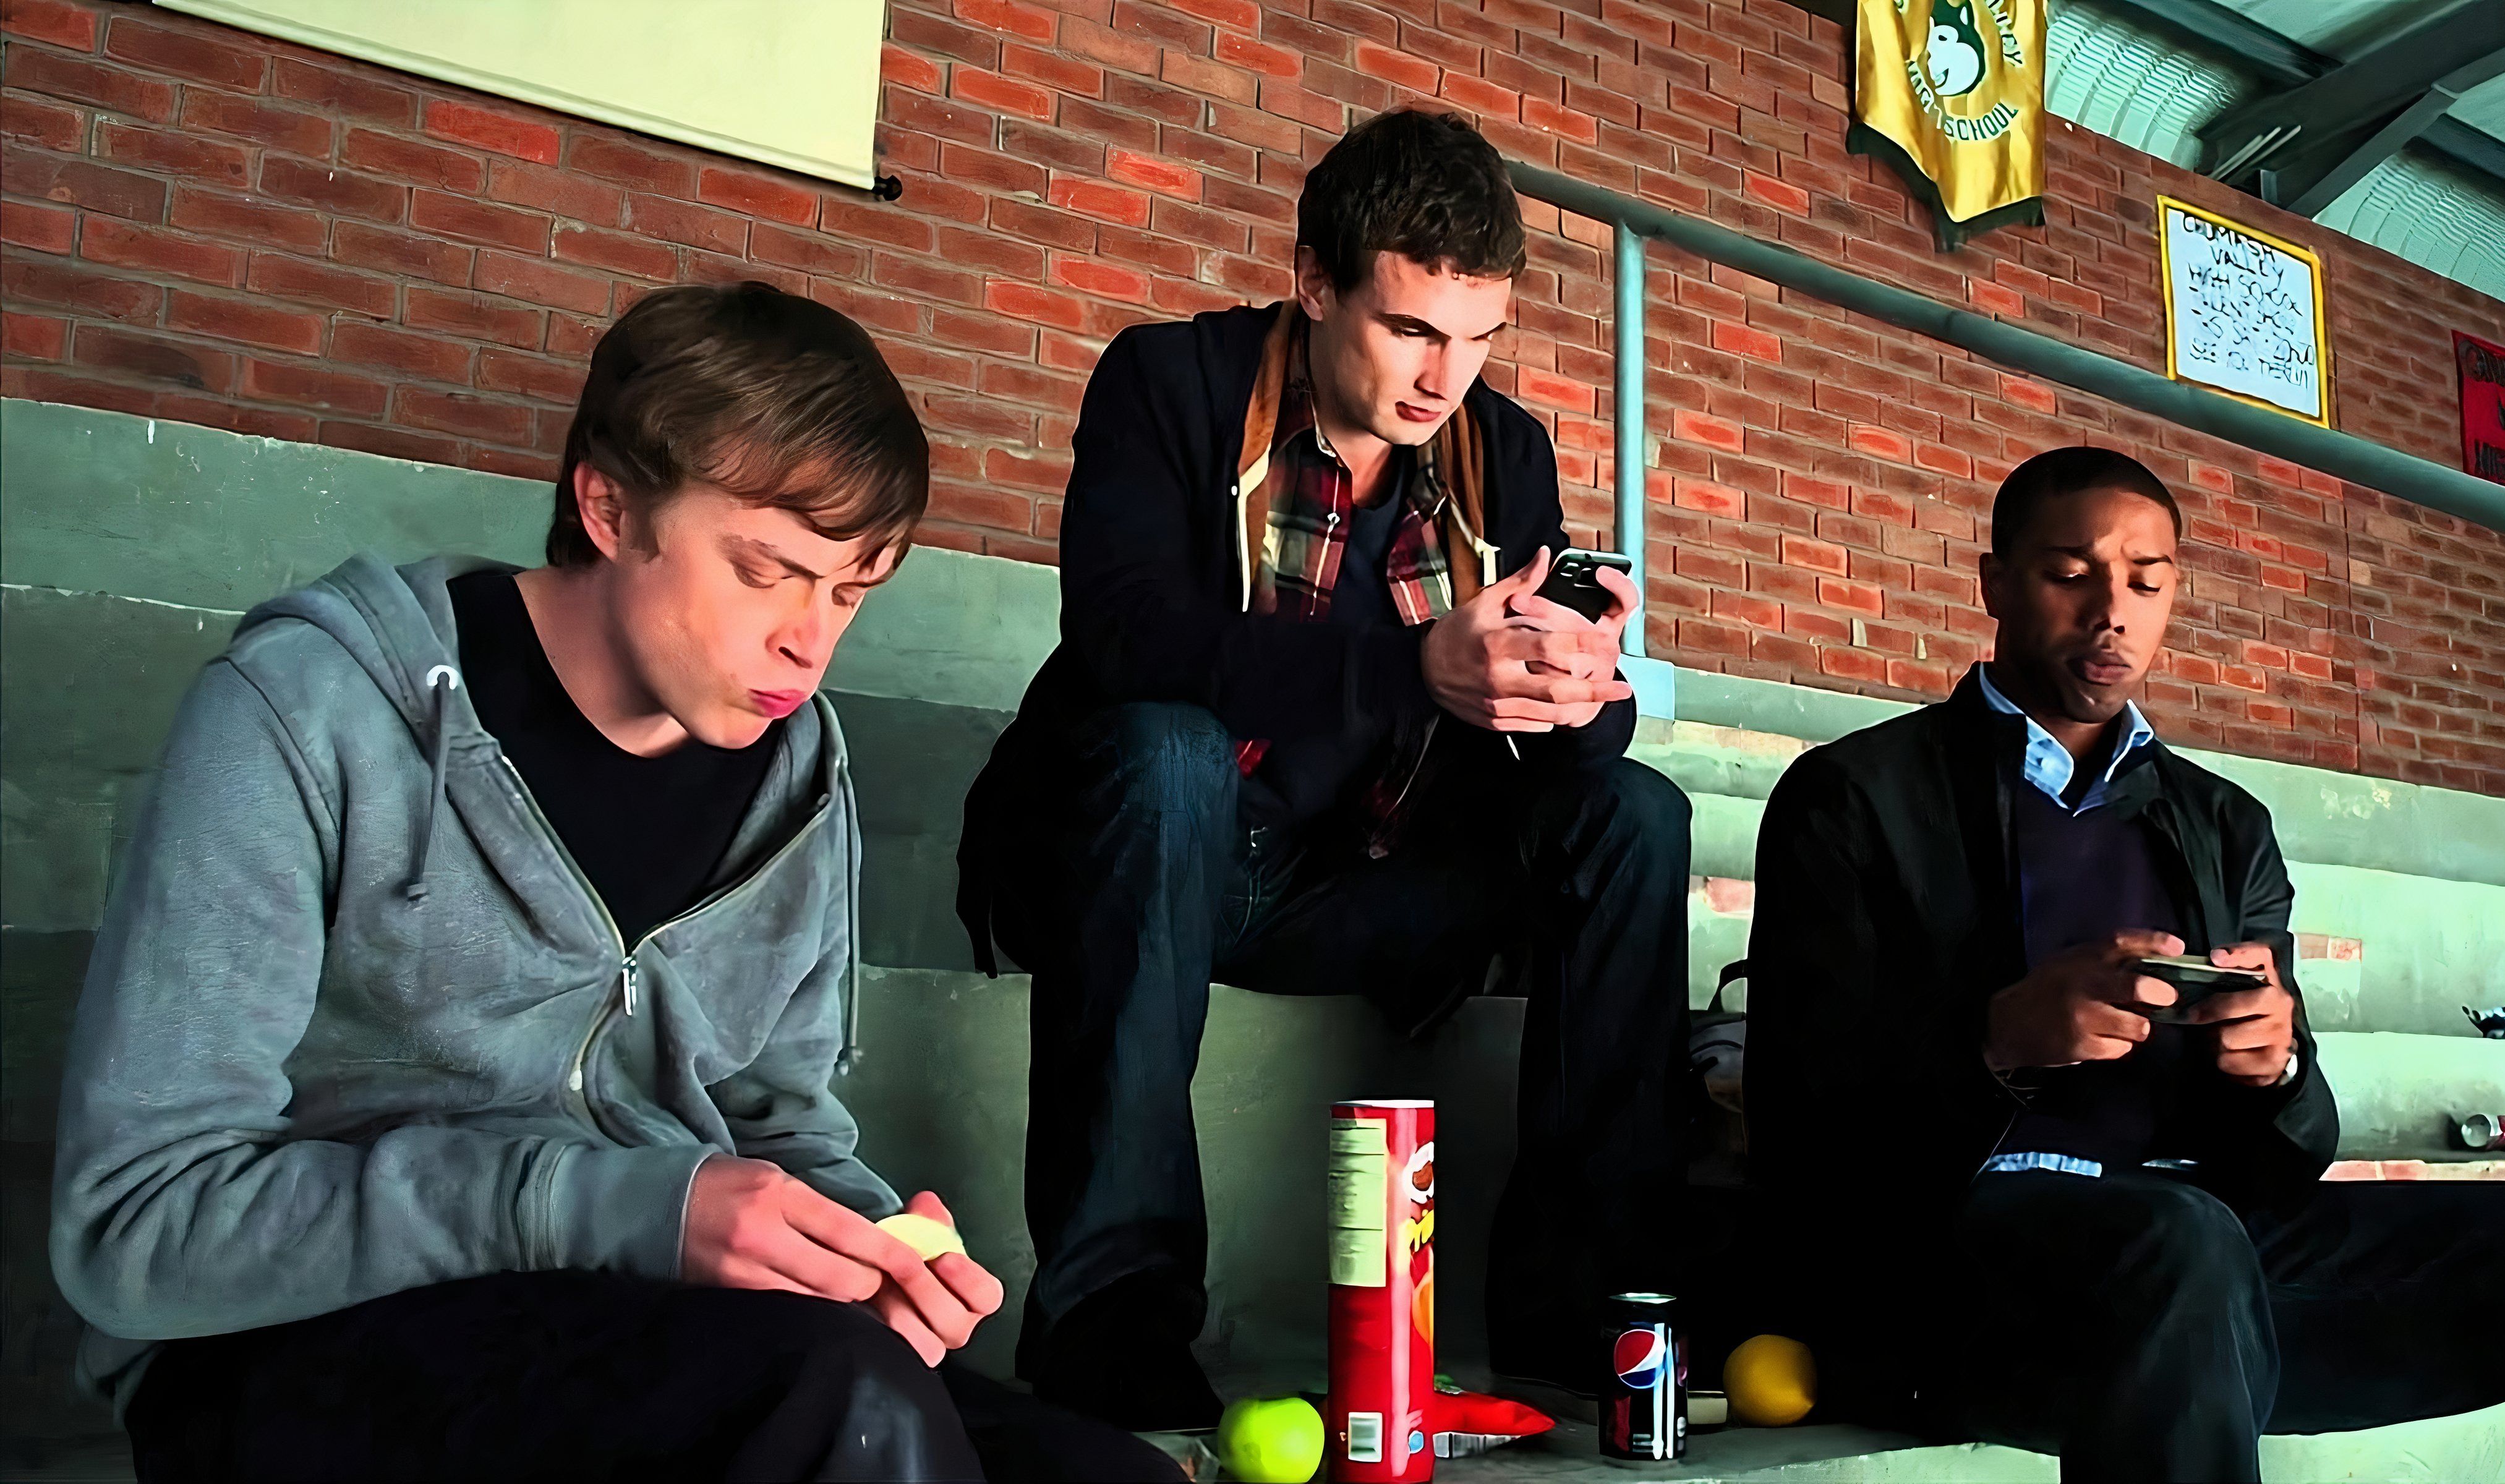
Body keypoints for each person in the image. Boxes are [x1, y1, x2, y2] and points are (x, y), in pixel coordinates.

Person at [51, 281, 1172, 1482]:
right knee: (840, 1402)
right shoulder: (312, 713)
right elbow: (140, 1220)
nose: (810, 642)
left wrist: (862, 1243)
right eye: (766, 571)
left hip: (645, 1318)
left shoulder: (795, 779)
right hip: (277, 1342)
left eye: (850, 591)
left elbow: (780, 1129)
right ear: (608, 508)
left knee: (1115, 1476)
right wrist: (608, 1207)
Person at [1740, 446, 2505, 1482]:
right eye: (2070, 574)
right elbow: (1801, 1118)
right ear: (1995, 583)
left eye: (2147, 582)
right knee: (2179, 1242)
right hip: (1955, 1270)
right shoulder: (1855, 797)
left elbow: (2290, 1151)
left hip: (2222, 1256)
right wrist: (1998, 1041)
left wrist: (2275, 1073)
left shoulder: (2223, 826)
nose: (2112, 612)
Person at [958, 106, 1692, 1427]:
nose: (1444, 378)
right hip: (1145, 850)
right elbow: (1125, 639)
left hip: (1355, 876)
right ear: (1313, 282)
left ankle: (1581, 1305)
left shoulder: (1501, 453)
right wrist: (1412, 668)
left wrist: (1579, 692)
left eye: (1480, 338)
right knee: (1167, 748)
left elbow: (1547, 734)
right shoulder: (1172, 381)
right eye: (1410, 330)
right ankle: (1112, 1320)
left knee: (1633, 814)